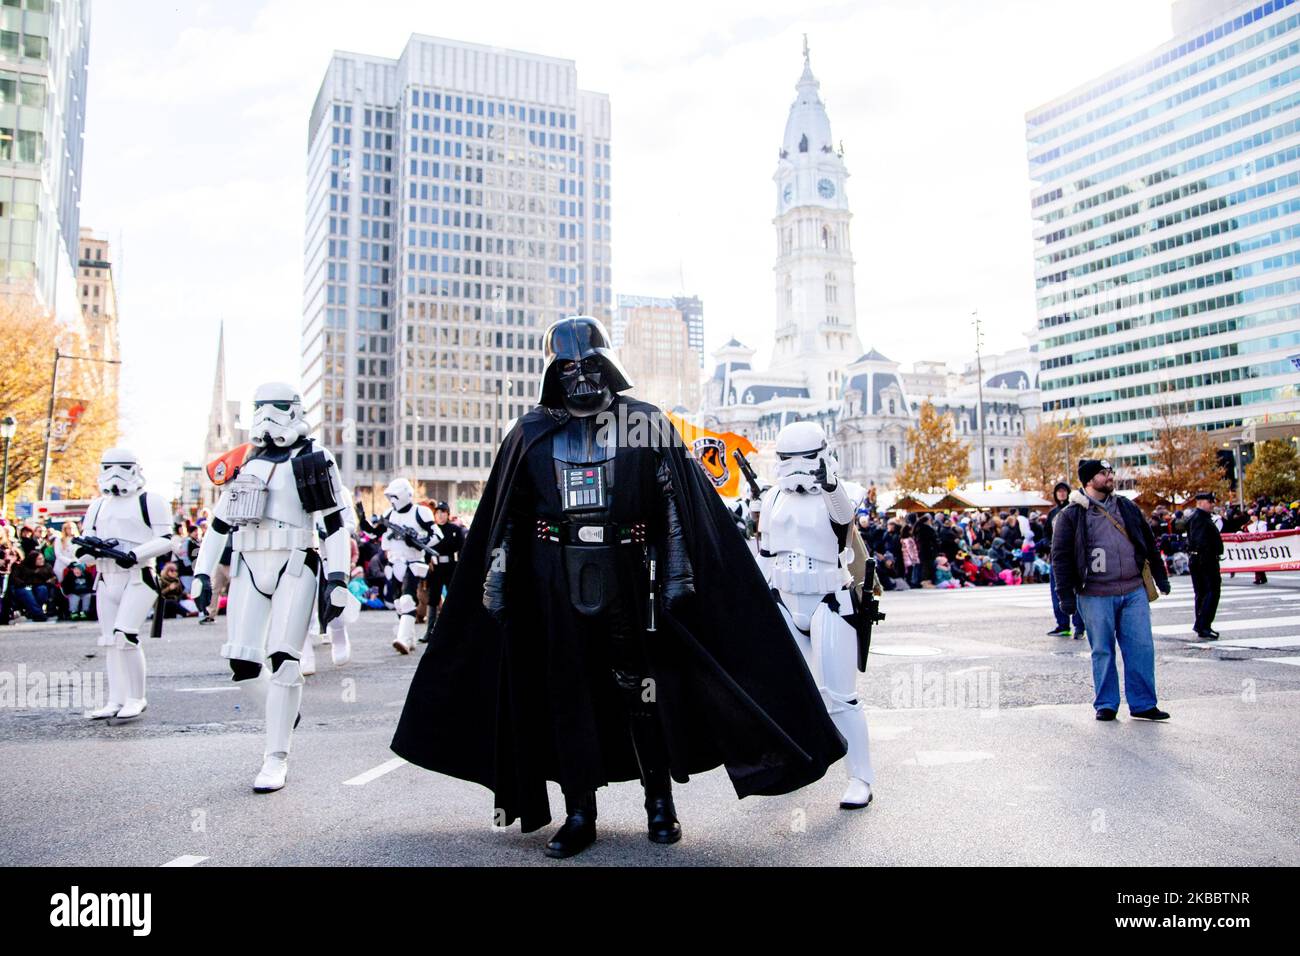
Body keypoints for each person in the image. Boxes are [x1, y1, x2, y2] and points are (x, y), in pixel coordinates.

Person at [390, 315, 846, 859]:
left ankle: (660, 804)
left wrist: (678, 572)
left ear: (609, 365)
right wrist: (499, 571)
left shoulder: (644, 424)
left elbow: (677, 505)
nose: (582, 378)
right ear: (554, 373)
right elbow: (508, 514)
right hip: (553, 580)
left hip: (630, 578)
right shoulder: (530, 433)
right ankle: (580, 810)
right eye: (570, 368)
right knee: (567, 690)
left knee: (641, 691)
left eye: (591, 365)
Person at [190, 382, 357, 792]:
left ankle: (275, 756)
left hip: (295, 561)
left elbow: (334, 522)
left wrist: (338, 577)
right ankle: (284, 710)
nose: (267, 415)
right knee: (244, 664)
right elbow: (219, 523)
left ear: (295, 410)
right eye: (260, 407)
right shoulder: (245, 461)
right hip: (249, 562)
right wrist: (201, 572)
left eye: (276, 407)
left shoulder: (314, 458)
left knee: (284, 661)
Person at [754, 420, 877, 810]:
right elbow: (764, 553)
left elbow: (843, 519)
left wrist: (829, 484)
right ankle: (797, 764)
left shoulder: (842, 493)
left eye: (803, 457)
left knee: (840, 696)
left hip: (830, 599)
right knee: (789, 694)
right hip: (785, 599)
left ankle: (860, 777)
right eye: (787, 458)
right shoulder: (772, 497)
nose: (794, 466)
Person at [1051, 459, 1171, 722]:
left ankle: (1143, 704)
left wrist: (1160, 578)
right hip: (1094, 593)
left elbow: (1148, 543)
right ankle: (1106, 703)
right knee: (1103, 650)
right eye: (1103, 473)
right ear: (1088, 480)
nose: (1109, 477)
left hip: (1133, 589)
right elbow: (1060, 557)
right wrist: (1066, 597)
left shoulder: (1126, 507)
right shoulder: (1072, 515)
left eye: (1109, 472)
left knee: (1141, 647)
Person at [77, 448, 175, 721]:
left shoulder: (150, 500)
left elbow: (166, 538)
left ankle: (136, 697)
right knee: (110, 641)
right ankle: (115, 699)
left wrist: (134, 554)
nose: (114, 473)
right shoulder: (98, 505)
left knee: (125, 635)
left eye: (121, 466)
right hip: (106, 577)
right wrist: (89, 552)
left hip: (138, 575)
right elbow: (86, 542)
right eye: (108, 467)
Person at [359, 478, 436, 655]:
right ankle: (409, 637)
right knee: (397, 603)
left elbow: (436, 535)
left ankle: (402, 639)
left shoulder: (420, 512)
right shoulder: (389, 515)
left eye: (394, 496)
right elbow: (374, 532)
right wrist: (363, 521)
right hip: (395, 562)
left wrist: (419, 541)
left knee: (407, 599)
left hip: (413, 561)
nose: (392, 500)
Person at [1044, 480, 1085, 639]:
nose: (1061, 493)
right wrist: (1047, 544)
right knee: (1057, 592)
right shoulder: (1053, 513)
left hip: (1072, 557)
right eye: (1058, 491)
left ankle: (1079, 626)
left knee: (1075, 592)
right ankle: (1063, 625)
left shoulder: (1074, 510)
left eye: (1063, 491)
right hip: (1056, 557)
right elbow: (1046, 533)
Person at [421, 500, 464, 643]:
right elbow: (424, 546)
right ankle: (430, 631)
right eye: (437, 512)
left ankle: (455, 629)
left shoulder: (455, 530)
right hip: (436, 567)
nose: (440, 515)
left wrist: (460, 566)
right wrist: (427, 561)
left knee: (453, 596)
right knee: (433, 599)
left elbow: (462, 548)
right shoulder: (432, 530)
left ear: (448, 514)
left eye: (443, 512)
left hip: (451, 566)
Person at [1186, 491, 1223, 640]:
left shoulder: (1199, 518)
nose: (1212, 504)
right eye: (1210, 502)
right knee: (1211, 592)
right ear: (1201, 503)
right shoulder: (1200, 519)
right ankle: (1203, 624)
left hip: (1200, 560)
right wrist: (1208, 558)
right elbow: (1201, 542)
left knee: (1202, 593)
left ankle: (1202, 624)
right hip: (1205, 561)